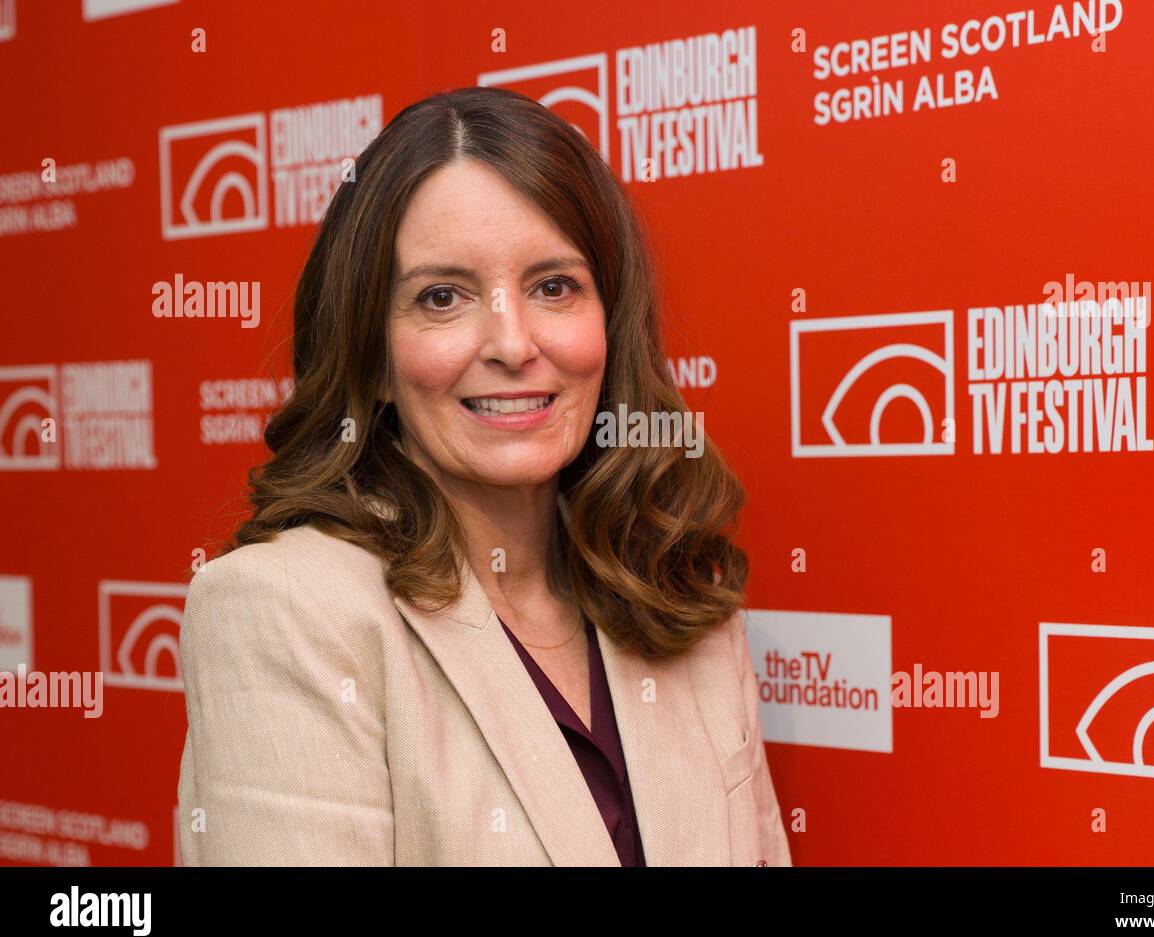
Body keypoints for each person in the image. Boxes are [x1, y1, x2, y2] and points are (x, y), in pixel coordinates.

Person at [176, 86, 791, 866]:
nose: (511, 342)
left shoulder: (675, 589)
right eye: (443, 297)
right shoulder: (285, 613)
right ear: (375, 359)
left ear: (611, 321)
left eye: (553, 286)